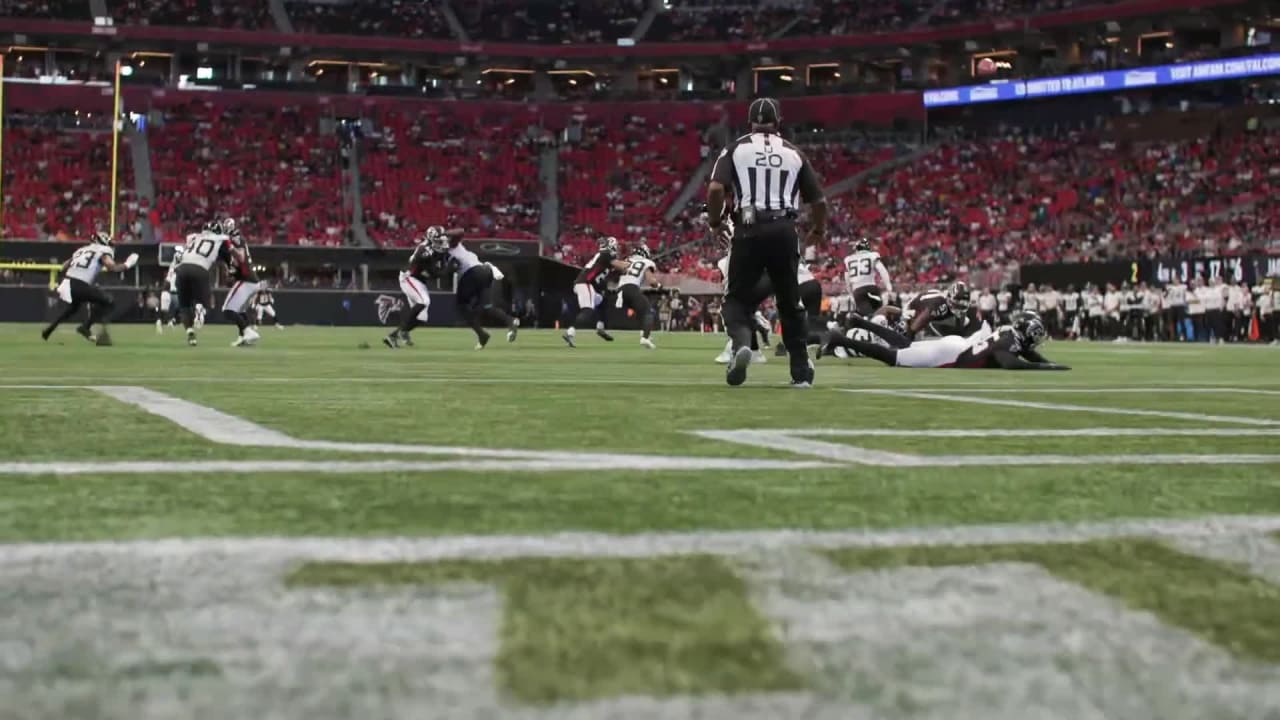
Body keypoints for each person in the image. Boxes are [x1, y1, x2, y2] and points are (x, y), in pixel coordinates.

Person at [706, 97, 825, 388]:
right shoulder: (794, 152)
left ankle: (743, 344)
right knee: (789, 301)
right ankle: (800, 371)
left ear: (750, 122)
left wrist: (716, 221)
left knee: (736, 299)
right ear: (778, 121)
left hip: (748, 225)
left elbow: (715, 188)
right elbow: (819, 200)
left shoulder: (735, 148)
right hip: (784, 227)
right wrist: (818, 230)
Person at [823, 311, 1070, 371]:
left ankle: (860, 322)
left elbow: (1027, 354)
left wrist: (1050, 366)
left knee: (905, 345)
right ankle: (842, 339)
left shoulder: (1010, 333)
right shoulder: (1010, 343)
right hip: (950, 355)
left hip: (957, 344)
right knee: (894, 357)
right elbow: (1007, 361)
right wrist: (1040, 367)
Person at [42, 231, 137, 344]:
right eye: (110, 243)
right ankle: (85, 327)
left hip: (66, 283)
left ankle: (48, 330)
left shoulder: (81, 250)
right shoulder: (103, 251)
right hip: (79, 284)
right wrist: (128, 264)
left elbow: (63, 267)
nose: (112, 246)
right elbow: (113, 268)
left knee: (73, 309)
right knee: (108, 301)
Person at [174, 221, 237, 347]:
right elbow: (228, 258)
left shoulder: (193, 237)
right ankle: (199, 308)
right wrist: (231, 269)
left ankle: (190, 333)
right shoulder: (221, 239)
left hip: (182, 269)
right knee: (204, 301)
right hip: (200, 269)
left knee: (184, 306)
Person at [564, 236, 631, 347]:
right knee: (587, 311)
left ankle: (600, 328)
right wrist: (634, 264)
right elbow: (619, 265)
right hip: (585, 283)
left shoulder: (604, 256)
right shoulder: (606, 254)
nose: (617, 249)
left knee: (601, 301)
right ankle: (570, 332)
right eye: (616, 246)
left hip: (585, 284)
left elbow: (617, 269)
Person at [384, 231, 436, 349]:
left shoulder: (433, 250)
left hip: (418, 281)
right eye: (439, 240)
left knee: (422, 318)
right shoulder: (424, 249)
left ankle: (400, 333)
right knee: (424, 302)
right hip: (410, 277)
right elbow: (415, 262)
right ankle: (397, 334)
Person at [218, 218, 263, 348]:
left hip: (247, 280)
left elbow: (241, 256)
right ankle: (243, 337)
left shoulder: (234, 237)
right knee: (240, 311)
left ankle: (248, 332)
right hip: (250, 281)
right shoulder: (228, 243)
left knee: (228, 310)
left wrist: (229, 246)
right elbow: (235, 264)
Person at [614, 245, 661, 349]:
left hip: (619, 290)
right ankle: (645, 338)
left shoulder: (627, 260)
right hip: (632, 288)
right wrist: (658, 285)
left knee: (640, 311)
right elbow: (651, 282)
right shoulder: (647, 262)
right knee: (648, 312)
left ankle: (643, 331)